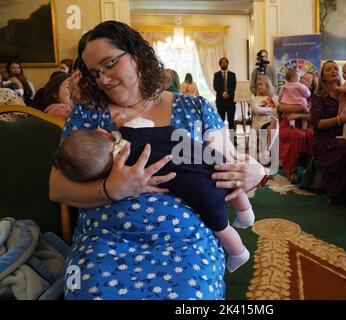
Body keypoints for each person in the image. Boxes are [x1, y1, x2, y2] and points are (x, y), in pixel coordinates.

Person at [48, 21, 267, 300]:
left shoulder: (194, 108)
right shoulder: (88, 113)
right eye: (95, 73)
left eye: (109, 63)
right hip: (106, 241)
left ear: (137, 55)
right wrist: (112, 189)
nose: (102, 78)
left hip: (186, 241)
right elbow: (56, 188)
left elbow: (231, 163)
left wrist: (256, 171)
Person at [53, 123, 254, 272]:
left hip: (201, 191)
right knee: (228, 179)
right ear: (105, 134)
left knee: (221, 227)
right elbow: (160, 130)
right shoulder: (129, 133)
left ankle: (239, 253)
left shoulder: (123, 171)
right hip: (203, 155)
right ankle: (246, 214)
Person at [310, 60, 346, 203]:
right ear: (323, 77)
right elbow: (317, 124)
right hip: (325, 137)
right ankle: (338, 193)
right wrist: (340, 118)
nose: (334, 71)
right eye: (329, 70)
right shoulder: (319, 98)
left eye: (335, 68)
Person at [278, 72, 316, 184]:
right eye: (303, 77)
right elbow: (281, 107)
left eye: (308, 80)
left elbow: (314, 117)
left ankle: (311, 170)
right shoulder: (292, 92)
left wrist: (299, 115)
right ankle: (292, 170)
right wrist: (301, 107)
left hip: (307, 125)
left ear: (312, 86)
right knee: (295, 134)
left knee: (312, 134)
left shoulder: (314, 99)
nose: (304, 80)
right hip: (288, 125)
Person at [213, 57, 237, 130]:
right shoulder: (216, 75)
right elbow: (215, 86)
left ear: (227, 63)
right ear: (220, 64)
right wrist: (222, 93)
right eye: (222, 62)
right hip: (220, 101)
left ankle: (232, 139)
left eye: (225, 62)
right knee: (220, 121)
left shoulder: (232, 74)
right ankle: (221, 138)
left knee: (231, 121)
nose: (224, 63)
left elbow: (234, 86)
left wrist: (228, 93)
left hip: (230, 101)